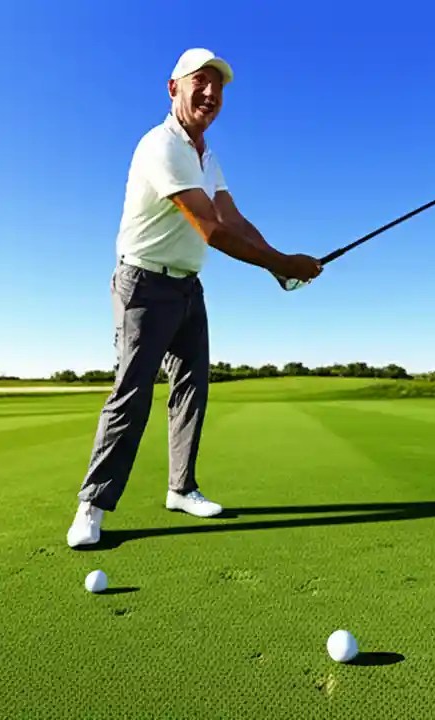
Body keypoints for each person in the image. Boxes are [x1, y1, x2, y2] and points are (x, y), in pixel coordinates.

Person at [67, 48, 323, 548]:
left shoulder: (207, 156)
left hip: (186, 286)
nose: (210, 93)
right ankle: (91, 506)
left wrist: (279, 261)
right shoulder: (160, 146)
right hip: (142, 284)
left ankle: (181, 488)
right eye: (199, 82)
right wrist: (280, 264)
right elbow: (209, 230)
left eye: (219, 87)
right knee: (132, 394)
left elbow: (232, 218)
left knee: (191, 390)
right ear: (173, 88)